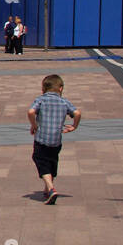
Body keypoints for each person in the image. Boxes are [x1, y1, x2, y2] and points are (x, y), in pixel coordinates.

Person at [27, 73, 82, 204]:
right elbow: (77, 113)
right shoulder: (64, 101)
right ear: (61, 88)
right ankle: (47, 190)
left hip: (42, 139)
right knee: (52, 162)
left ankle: (51, 189)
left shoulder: (41, 100)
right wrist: (74, 126)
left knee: (40, 160)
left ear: (43, 89)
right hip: (56, 140)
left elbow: (31, 112)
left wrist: (34, 125)